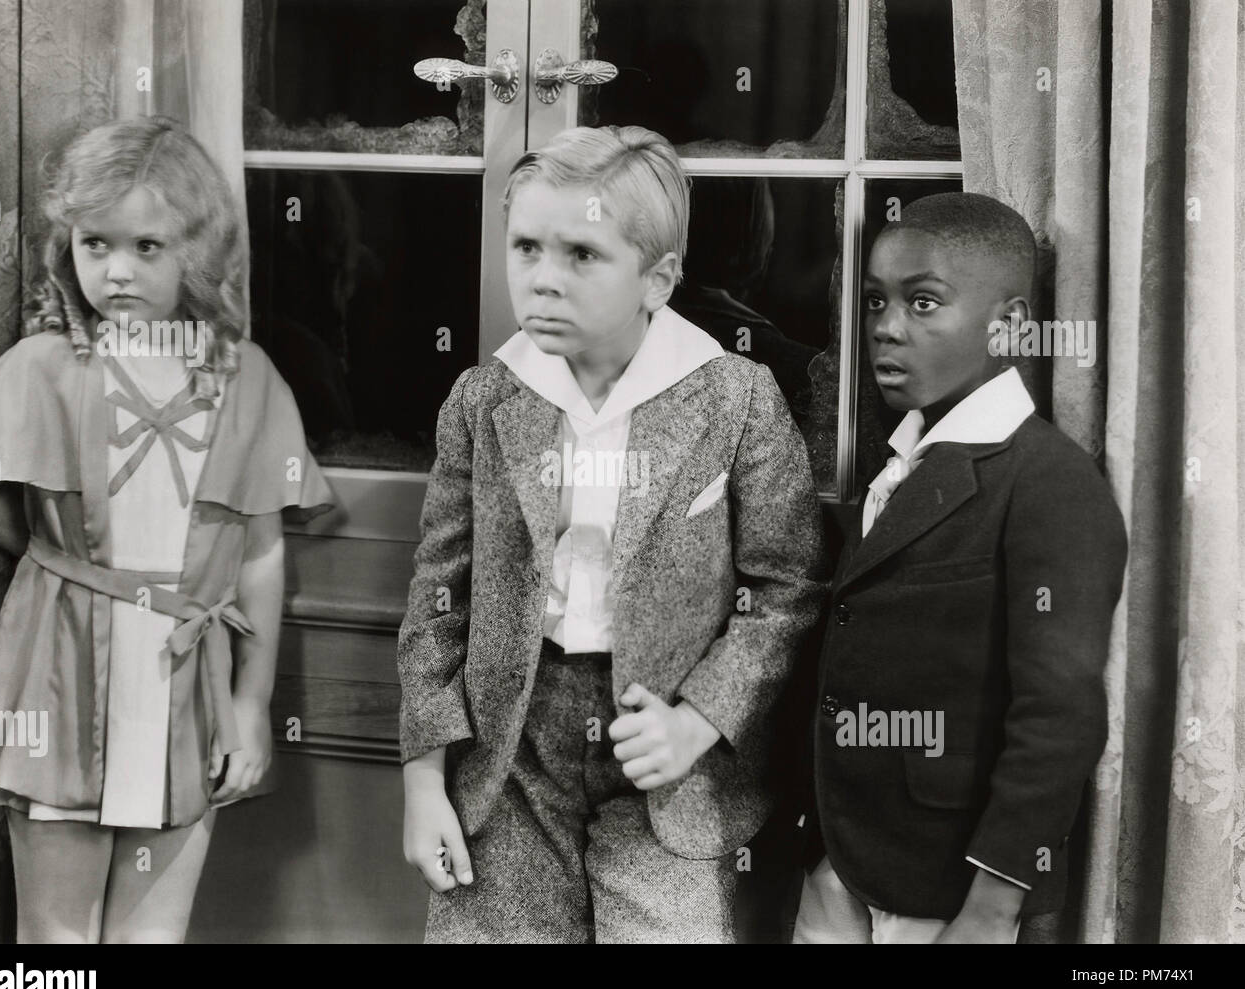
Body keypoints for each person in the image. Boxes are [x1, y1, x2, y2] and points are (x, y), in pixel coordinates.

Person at [399, 125, 827, 943]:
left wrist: (698, 719)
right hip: (511, 750)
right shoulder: (483, 400)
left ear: (657, 278)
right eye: (526, 247)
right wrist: (424, 778)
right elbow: (437, 597)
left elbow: (786, 588)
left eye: (582, 254)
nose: (543, 281)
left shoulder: (736, 400)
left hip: (668, 753)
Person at [0, 116, 333, 943]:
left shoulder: (247, 380)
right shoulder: (45, 366)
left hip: (184, 681)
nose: (116, 271)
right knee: (55, 939)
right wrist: (64, 562)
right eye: (95, 244)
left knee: (151, 936)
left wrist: (253, 705)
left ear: (198, 247)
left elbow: (261, 554)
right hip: (60, 672)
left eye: (147, 247)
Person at [795, 192, 1128, 944]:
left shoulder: (1049, 483)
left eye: (923, 303)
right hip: (841, 868)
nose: (885, 326)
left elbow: (1059, 716)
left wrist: (993, 905)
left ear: (1008, 324)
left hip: (946, 891)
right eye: (877, 301)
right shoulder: (901, 462)